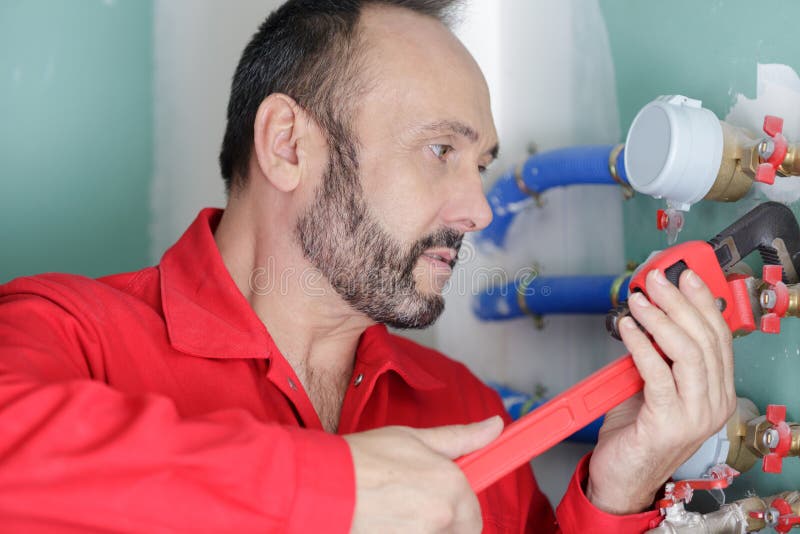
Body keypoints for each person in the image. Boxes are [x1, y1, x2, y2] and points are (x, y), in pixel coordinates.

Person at [0, 1, 736, 532]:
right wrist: (332, 490)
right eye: (440, 151)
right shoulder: (71, 334)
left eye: (480, 165)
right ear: (288, 145)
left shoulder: (460, 410)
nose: (478, 210)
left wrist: (615, 493)